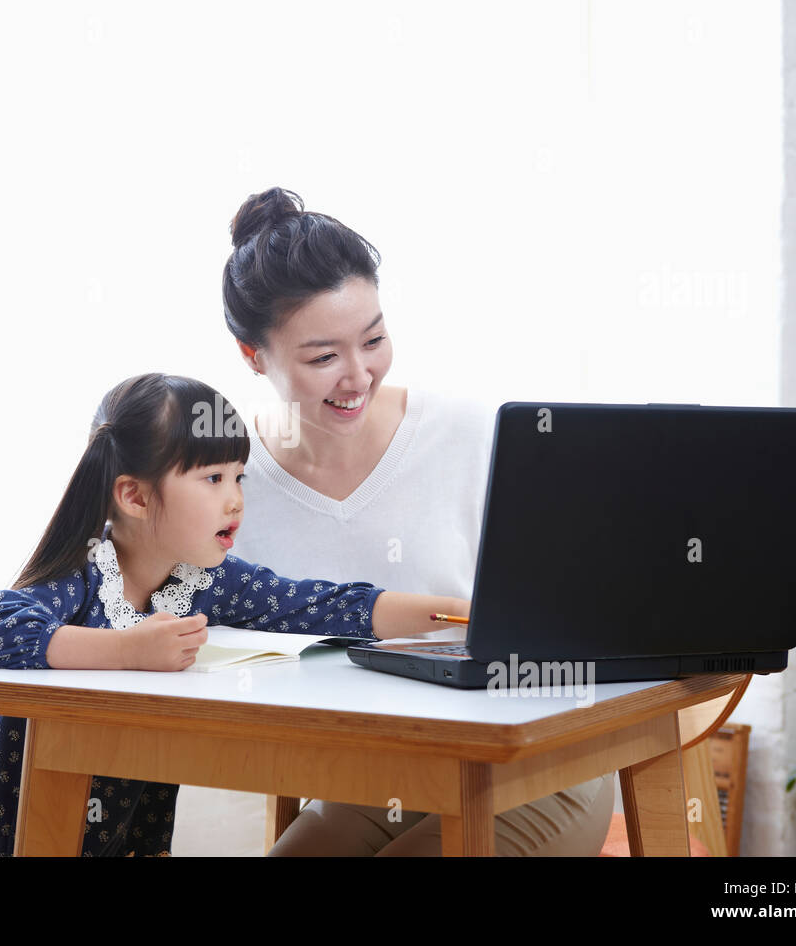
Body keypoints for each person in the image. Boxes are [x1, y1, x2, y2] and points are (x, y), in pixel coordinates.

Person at [221, 187, 616, 856]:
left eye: (374, 339)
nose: (358, 376)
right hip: (368, 781)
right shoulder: (229, 481)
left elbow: (579, 605)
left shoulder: (469, 436)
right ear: (253, 356)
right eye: (323, 357)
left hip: (535, 763)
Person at [0, 372, 470, 856]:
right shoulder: (83, 572)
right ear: (134, 498)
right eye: (213, 479)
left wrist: (459, 614)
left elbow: (326, 605)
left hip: (126, 839)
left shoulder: (205, 581)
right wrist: (128, 651)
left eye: (240, 477)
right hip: (8, 837)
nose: (235, 500)